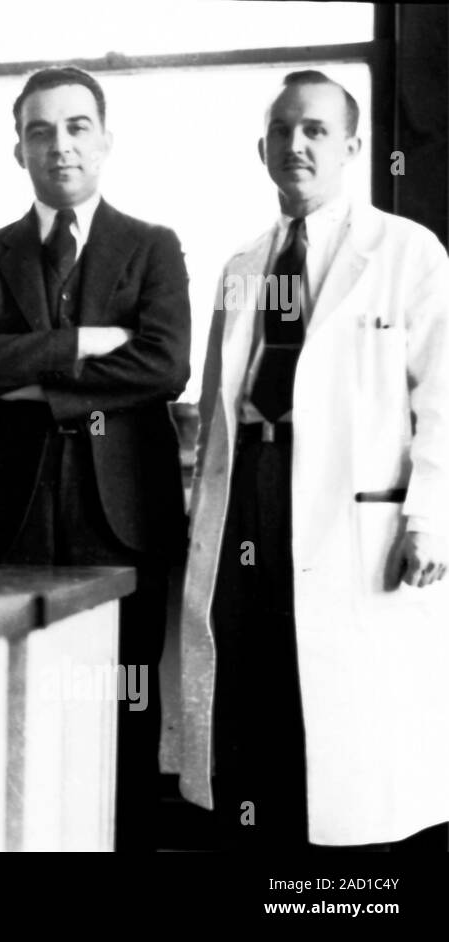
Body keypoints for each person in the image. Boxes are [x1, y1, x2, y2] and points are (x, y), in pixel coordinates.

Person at [176, 70, 449, 851]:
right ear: (260, 147)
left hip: (352, 511)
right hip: (250, 500)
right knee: (252, 701)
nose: (296, 145)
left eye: (317, 130)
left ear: (354, 146)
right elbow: (215, 411)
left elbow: (446, 401)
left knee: (342, 724)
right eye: (283, 130)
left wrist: (430, 517)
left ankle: (344, 894)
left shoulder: (406, 253)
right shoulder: (240, 265)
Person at [0, 67, 191, 851]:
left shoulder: (153, 246)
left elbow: (165, 367)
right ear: (19, 148)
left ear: (105, 140)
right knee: (5, 706)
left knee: (122, 709)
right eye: (40, 130)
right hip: (1, 512)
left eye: (77, 127)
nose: (60, 145)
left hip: (124, 516)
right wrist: (79, 346)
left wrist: (32, 385)